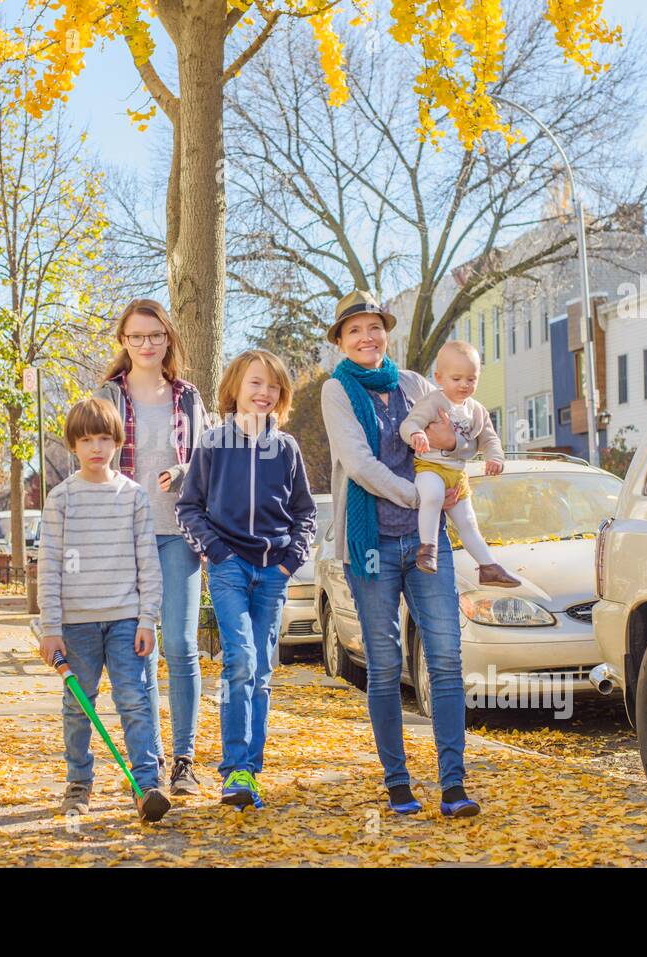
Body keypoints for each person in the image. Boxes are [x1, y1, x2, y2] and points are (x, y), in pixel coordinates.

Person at [320, 290, 479, 818]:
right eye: (355, 331)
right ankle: (397, 781)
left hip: (427, 541)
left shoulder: (415, 384)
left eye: (374, 327)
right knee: (385, 665)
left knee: (447, 660)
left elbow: (457, 435)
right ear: (342, 341)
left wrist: (458, 476)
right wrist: (419, 494)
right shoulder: (336, 392)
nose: (367, 338)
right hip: (371, 546)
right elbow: (361, 465)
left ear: (386, 333)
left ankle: (454, 783)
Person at [175, 349, 318, 809]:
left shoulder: (288, 448)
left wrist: (289, 561)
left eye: (273, 386)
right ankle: (234, 768)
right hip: (229, 567)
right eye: (256, 383)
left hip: (272, 571)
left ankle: (248, 773)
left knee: (260, 672)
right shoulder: (214, 443)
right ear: (235, 388)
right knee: (240, 660)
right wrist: (215, 552)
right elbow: (188, 507)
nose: (265, 393)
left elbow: (305, 514)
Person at [36, 398, 171, 823]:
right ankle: (79, 782)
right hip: (76, 625)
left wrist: (148, 618)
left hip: (126, 619)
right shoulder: (61, 499)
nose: (96, 447)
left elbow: (148, 560)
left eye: (105, 438)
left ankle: (146, 783)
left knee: (134, 702)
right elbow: (51, 566)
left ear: (117, 441)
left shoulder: (132, 496)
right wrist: (51, 628)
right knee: (79, 706)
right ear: (73, 444)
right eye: (86, 439)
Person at [94, 299, 208, 796]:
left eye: (156, 336)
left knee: (182, 646)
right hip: (126, 541)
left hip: (180, 533)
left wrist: (183, 472)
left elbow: (207, 462)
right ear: (124, 341)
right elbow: (90, 462)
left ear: (169, 340)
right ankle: (152, 761)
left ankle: (185, 758)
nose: (147, 345)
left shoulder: (188, 397)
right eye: (137, 336)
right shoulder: (107, 397)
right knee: (143, 650)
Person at [401, 340, 520, 585]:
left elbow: (489, 438)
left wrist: (495, 457)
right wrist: (417, 434)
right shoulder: (433, 402)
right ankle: (427, 550)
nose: (464, 385)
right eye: (457, 379)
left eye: (471, 379)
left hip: (457, 476)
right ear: (439, 378)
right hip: (429, 467)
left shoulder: (477, 411)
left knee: (468, 521)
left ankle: (488, 567)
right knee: (432, 496)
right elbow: (409, 424)